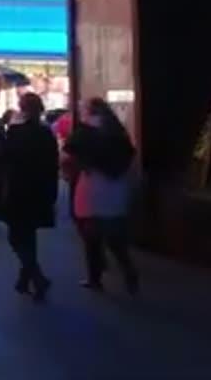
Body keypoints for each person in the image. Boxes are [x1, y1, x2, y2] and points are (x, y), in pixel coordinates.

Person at [65, 98, 139, 295]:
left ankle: (95, 277)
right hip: (116, 187)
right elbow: (129, 153)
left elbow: (71, 152)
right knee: (115, 237)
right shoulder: (117, 131)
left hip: (92, 186)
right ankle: (128, 271)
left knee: (91, 235)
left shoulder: (85, 132)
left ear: (88, 111)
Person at [0, 93, 59, 303]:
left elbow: (4, 158)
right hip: (39, 191)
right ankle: (25, 279)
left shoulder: (16, 133)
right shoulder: (46, 134)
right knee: (29, 235)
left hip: (18, 190)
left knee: (16, 237)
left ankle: (36, 276)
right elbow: (52, 165)